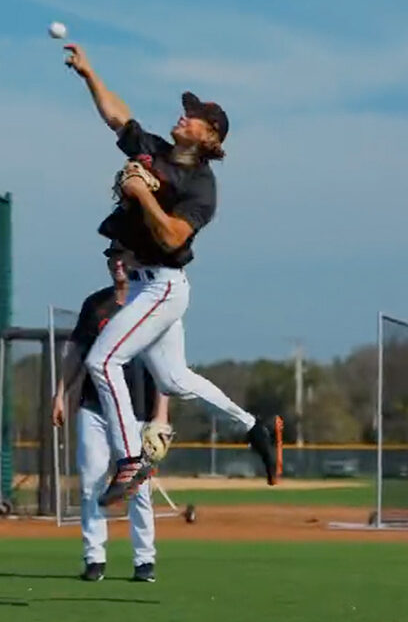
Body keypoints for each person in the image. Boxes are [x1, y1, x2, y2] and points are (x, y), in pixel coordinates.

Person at [63, 43, 283, 507]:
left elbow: (172, 240)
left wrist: (141, 196)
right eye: (186, 110)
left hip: (163, 286)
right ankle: (253, 426)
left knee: (102, 362)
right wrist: (89, 75)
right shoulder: (156, 152)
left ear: (211, 136)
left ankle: (129, 460)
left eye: (195, 114)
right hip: (148, 286)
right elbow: (117, 118)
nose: (184, 116)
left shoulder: (202, 188)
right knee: (174, 381)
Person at [53, 249, 168, 583]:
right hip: (94, 408)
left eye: (124, 257)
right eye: (112, 257)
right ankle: (94, 558)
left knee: (137, 485)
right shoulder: (96, 305)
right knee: (91, 482)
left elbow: (165, 367)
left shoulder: (151, 304)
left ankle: (144, 560)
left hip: (136, 412)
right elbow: (76, 353)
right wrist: (61, 393)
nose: (118, 263)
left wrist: (161, 415)